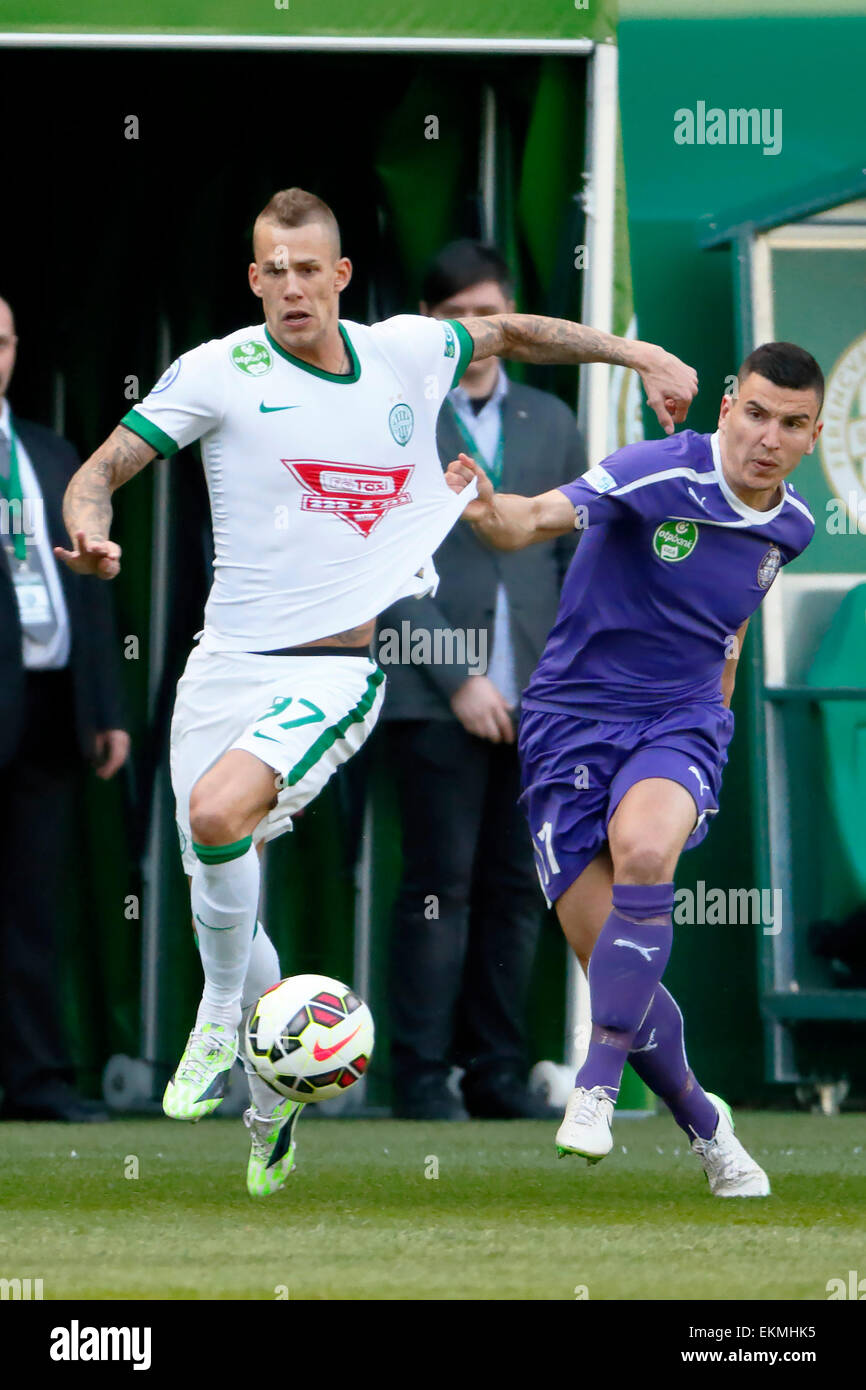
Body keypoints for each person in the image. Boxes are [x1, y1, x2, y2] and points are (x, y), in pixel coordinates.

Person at [55, 187, 697, 1195]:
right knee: (220, 879)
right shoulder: (217, 371)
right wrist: (91, 528)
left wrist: (641, 354)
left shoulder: (405, 349)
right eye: (273, 269)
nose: (291, 286)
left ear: (340, 276)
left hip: (336, 669)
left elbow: (513, 331)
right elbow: (102, 468)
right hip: (222, 668)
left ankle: (219, 1019)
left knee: (219, 810)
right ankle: (272, 1107)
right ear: (254, 278)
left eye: (310, 268)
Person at [445, 341, 822, 1196]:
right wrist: (484, 507)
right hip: (570, 729)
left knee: (648, 854)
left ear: (813, 435)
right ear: (728, 406)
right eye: (756, 413)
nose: (768, 436)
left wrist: (714, 715)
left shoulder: (792, 525)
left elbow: (733, 622)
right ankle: (707, 1125)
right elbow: (531, 520)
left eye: (791, 424)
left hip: (679, 721)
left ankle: (596, 1080)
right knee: (618, 966)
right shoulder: (654, 474)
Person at [379, 241, 584, 1119]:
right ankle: (421, 1078)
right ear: (428, 323)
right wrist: (459, 677)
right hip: (432, 698)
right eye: (456, 313)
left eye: (488, 313)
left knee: (517, 888)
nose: (474, 329)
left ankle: (498, 1074)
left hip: (537, 704)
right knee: (438, 887)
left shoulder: (552, 420)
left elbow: (576, 559)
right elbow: (377, 564)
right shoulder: (391, 417)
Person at [0, 296, 129, 1123]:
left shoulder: (51, 456)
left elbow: (88, 592)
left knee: (32, 907)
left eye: (2, 339)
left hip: (48, 708)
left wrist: (105, 705)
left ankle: (40, 1080)